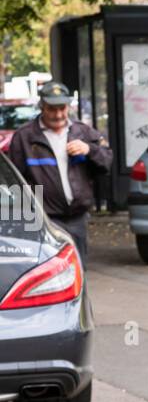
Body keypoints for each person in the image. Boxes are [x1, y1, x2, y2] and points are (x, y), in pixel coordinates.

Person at [7, 81, 113, 268]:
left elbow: (106, 162)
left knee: (77, 270)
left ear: (68, 107)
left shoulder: (83, 132)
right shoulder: (25, 137)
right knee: (46, 271)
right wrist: (22, 223)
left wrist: (89, 150)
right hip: (42, 220)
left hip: (76, 217)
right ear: (42, 107)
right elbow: (14, 184)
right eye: (52, 109)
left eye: (62, 108)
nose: (58, 115)